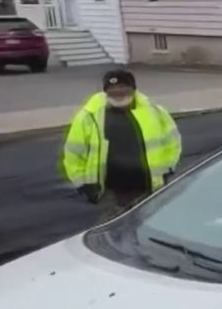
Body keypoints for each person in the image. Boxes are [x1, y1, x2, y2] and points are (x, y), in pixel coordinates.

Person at [62, 69, 182, 222]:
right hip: (110, 194)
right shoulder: (89, 116)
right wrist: (83, 183)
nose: (118, 92)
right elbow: (74, 153)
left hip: (149, 188)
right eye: (112, 89)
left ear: (133, 89)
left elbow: (173, 142)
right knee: (113, 233)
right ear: (106, 92)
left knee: (151, 228)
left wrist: (168, 169)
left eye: (123, 87)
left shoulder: (156, 112)